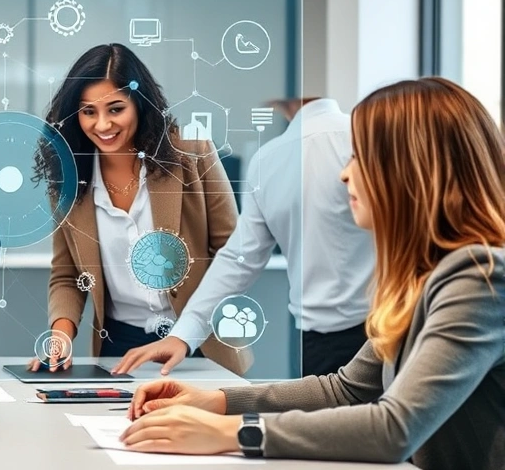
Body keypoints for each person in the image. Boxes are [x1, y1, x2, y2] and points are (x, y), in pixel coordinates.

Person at [122, 77, 505, 469]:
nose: (344, 175)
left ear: (414, 171)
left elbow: (394, 429)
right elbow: (346, 390)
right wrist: (216, 400)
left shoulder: (478, 278)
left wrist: (227, 433)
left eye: (359, 157)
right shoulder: (421, 279)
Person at [29, 43, 250, 376]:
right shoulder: (68, 179)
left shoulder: (192, 154)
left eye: (115, 109)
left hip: (198, 341)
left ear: (139, 104)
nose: (102, 124)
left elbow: (233, 255)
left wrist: (187, 332)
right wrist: (61, 332)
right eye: (89, 111)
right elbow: (68, 274)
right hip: (118, 348)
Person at [144, 98, 375, 377]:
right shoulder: (361, 137)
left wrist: (185, 332)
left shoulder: (269, 159)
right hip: (379, 327)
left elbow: (239, 260)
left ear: (279, 104)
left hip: (323, 340)